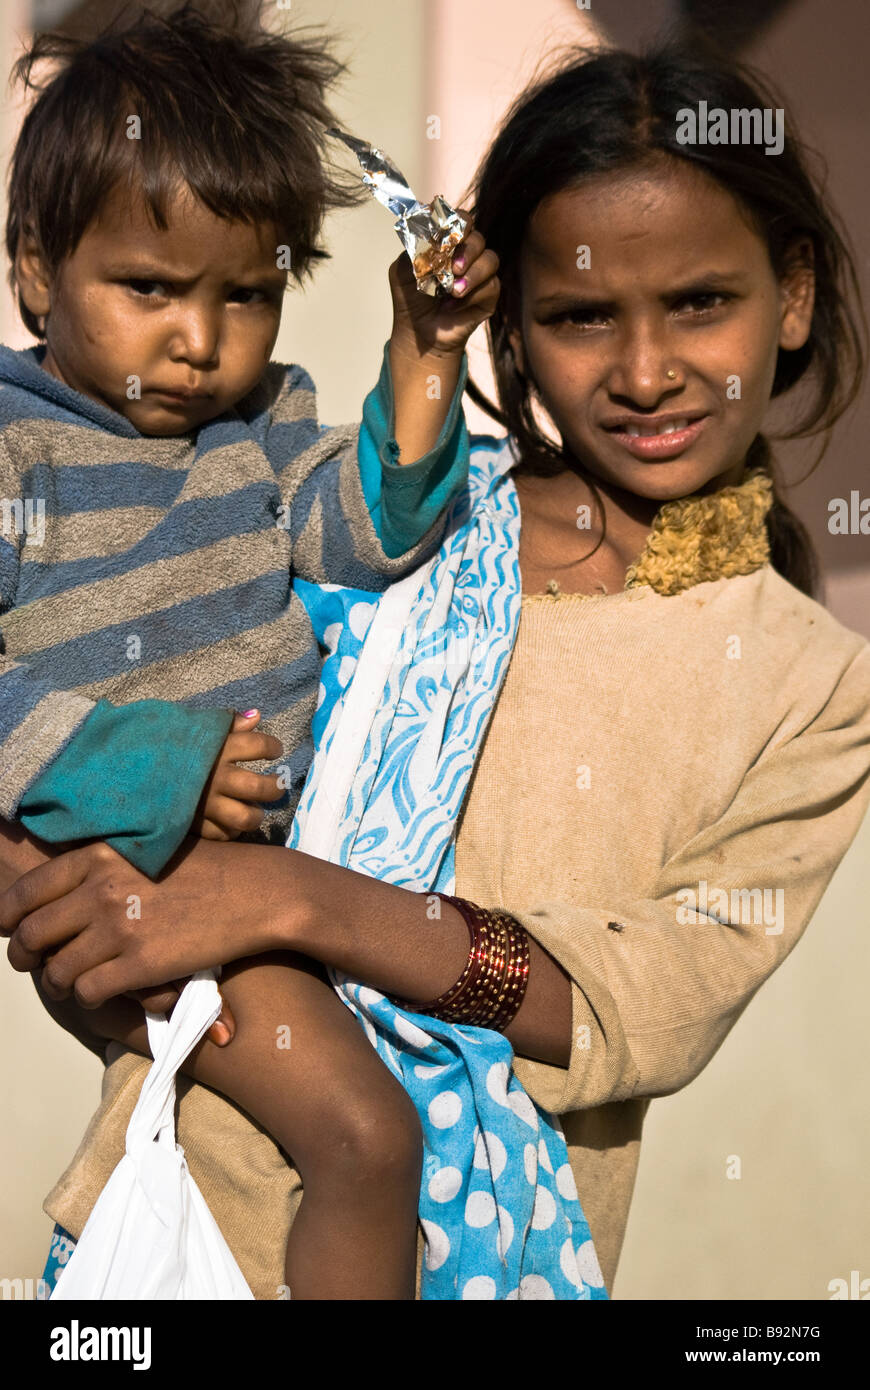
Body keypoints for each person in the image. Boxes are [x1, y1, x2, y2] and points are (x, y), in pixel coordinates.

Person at [3, 38, 870, 1300]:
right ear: (509, 318)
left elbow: (632, 1006)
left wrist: (287, 898)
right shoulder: (384, 520)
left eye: (700, 303)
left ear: (790, 297)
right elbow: (96, 738)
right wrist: (50, 886)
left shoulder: (812, 687)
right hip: (173, 1221)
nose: (644, 372)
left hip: (472, 1253)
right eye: (579, 315)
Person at [0, 4, 500, 1300]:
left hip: (277, 879)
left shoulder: (258, 425)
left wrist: (425, 353)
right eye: (150, 288)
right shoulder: (17, 455)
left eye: (247, 294)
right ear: (36, 268)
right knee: (366, 1135)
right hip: (132, 880)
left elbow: (367, 529)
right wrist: (156, 768)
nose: (200, 338)